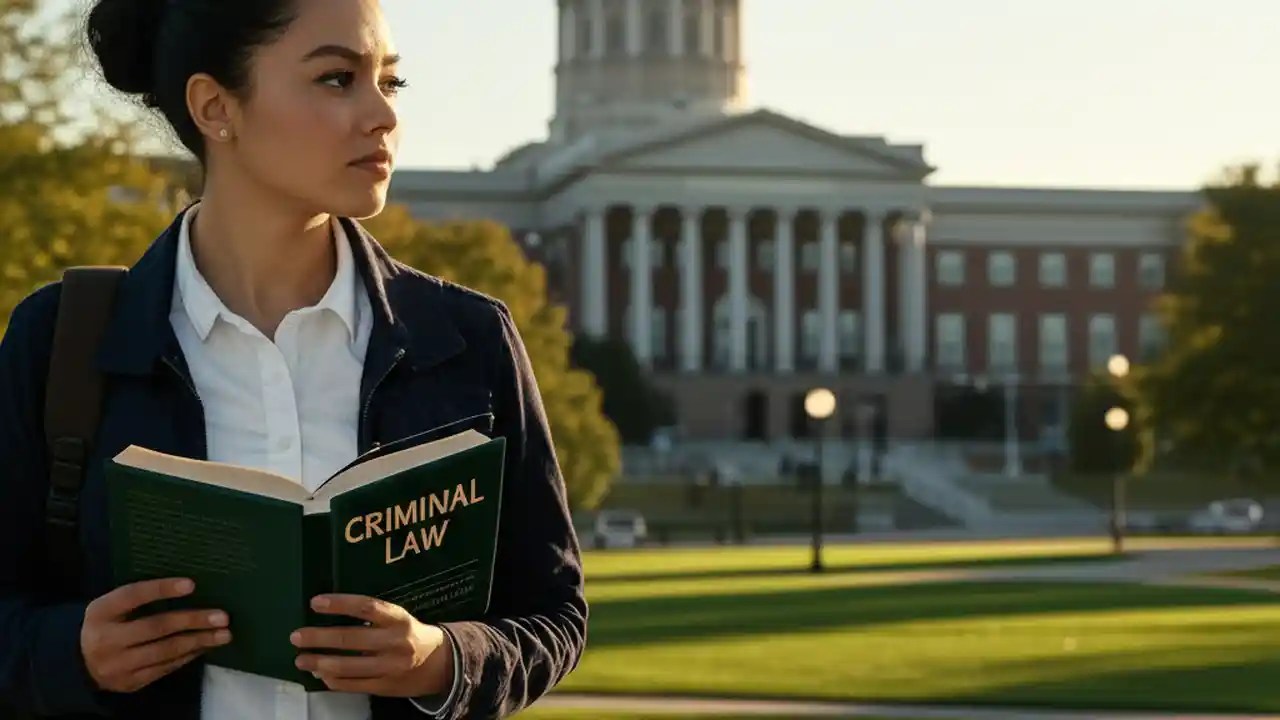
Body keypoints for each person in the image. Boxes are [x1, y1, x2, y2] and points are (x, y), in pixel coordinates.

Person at [0, 0, 587, 718]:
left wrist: (444, 659)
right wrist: (74, 653)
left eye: (390, 82)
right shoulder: (62, 341)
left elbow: (553, 614)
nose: (382, 116)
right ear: (217, 107)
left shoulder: (467, 340)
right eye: (338, 79)